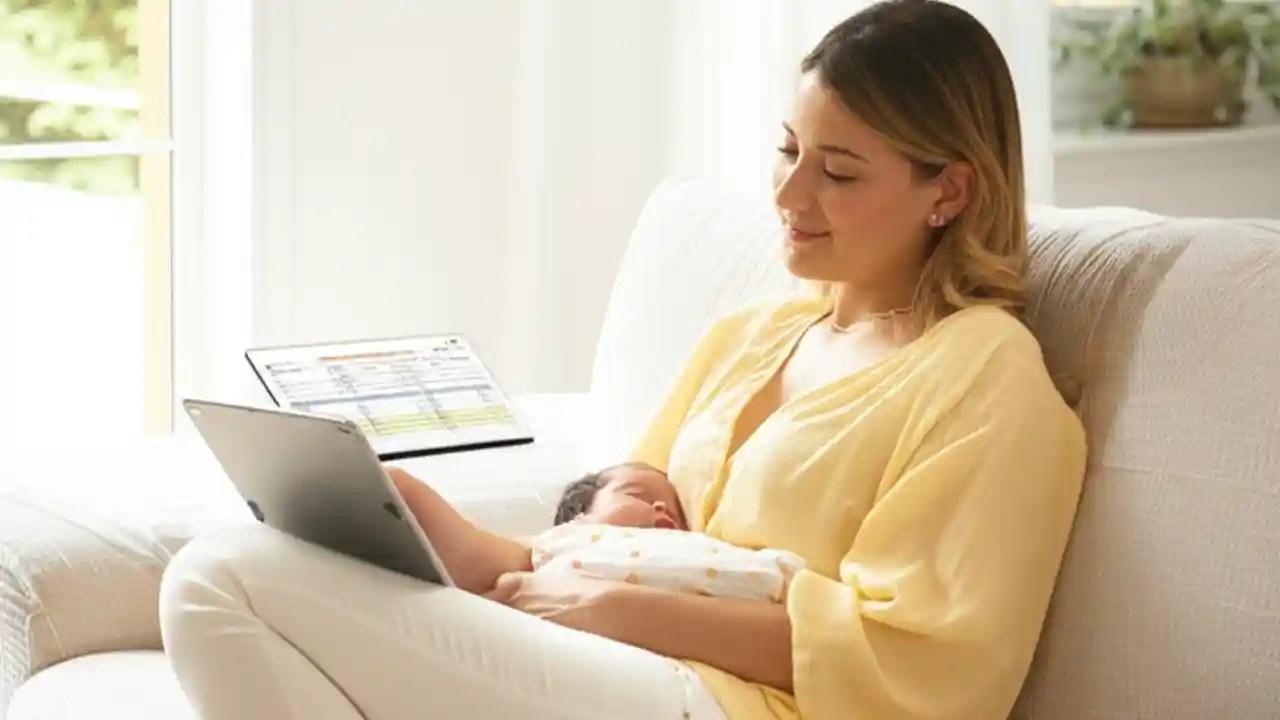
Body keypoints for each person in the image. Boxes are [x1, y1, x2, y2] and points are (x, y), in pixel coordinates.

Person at [158, 2, 1087, 719]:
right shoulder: (754, 336)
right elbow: (620, 540)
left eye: (839, 172)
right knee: (240, 565)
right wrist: (444, 536)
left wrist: (616, 613)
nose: (790, 194)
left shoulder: (987, 378)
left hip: (740, 704)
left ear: (948, 190)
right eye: (788, 150)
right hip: (618, 662)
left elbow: (929, 661)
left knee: (223, 580)